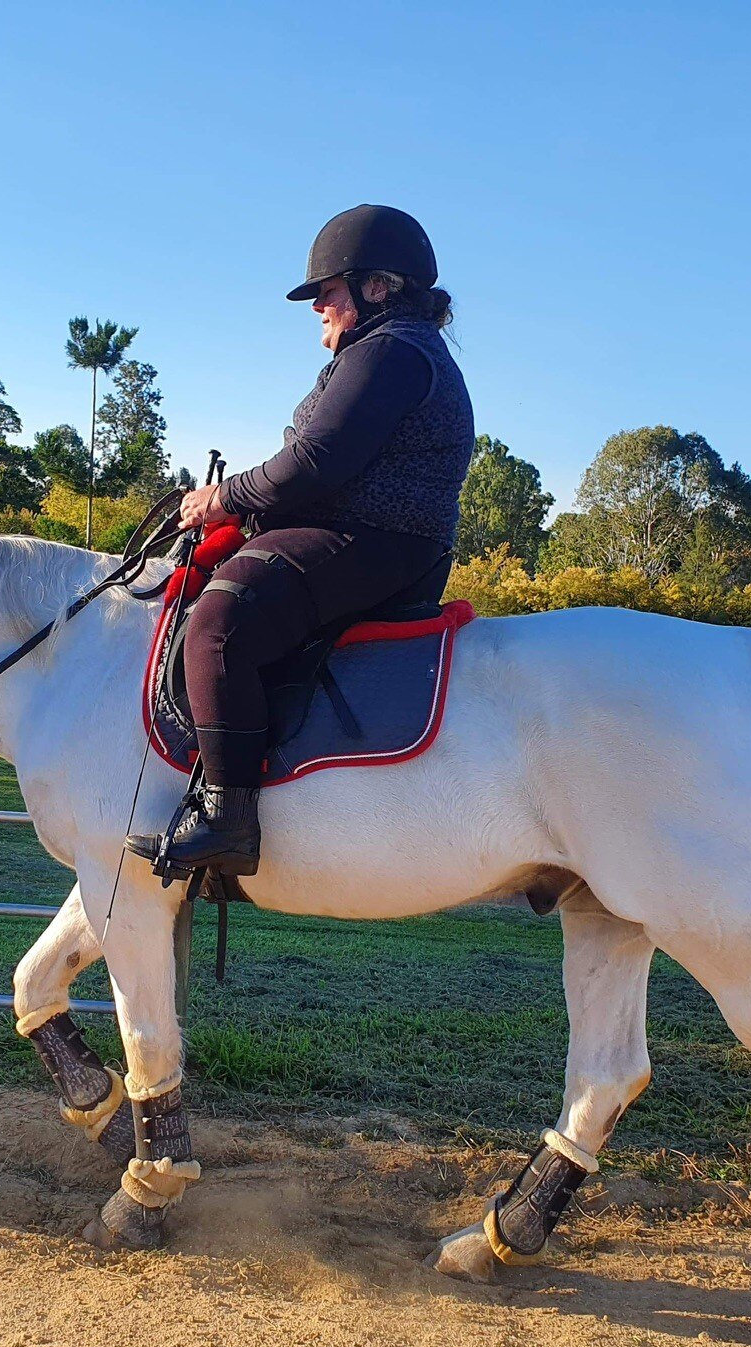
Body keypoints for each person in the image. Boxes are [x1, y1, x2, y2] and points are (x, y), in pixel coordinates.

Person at [146, 204, 474, 877]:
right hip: (371, 537)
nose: (318, 304)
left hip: (373, 541)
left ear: (378, 287)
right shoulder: (390, 351)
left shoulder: (392, 351)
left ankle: (226, 815)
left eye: (328, 289)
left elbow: (313, 465)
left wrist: (221, 498)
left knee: (219, 623)